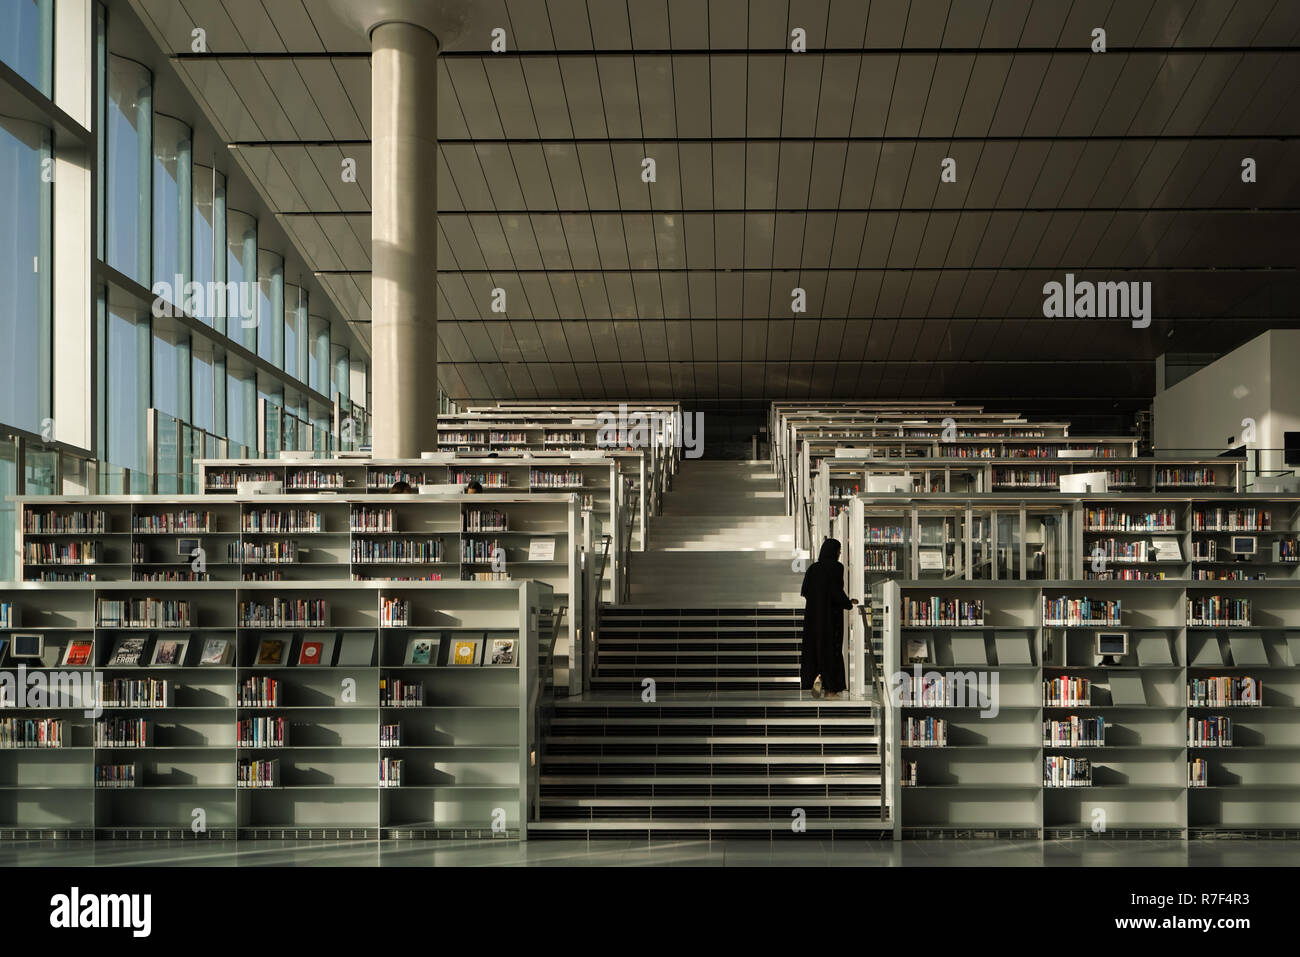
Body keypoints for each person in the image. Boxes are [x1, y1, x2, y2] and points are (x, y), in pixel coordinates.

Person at [800, 537, 857, 699]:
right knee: (832, 651)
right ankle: (831, 688)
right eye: (838, 551)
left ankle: (816, 677)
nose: (839, 554)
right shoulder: (836, 568)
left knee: (815, 649)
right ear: (833, 552)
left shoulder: (813, 569)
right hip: (831, 619)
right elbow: (836, 592)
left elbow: (806, 592)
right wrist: (848, 603)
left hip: (813, 618)